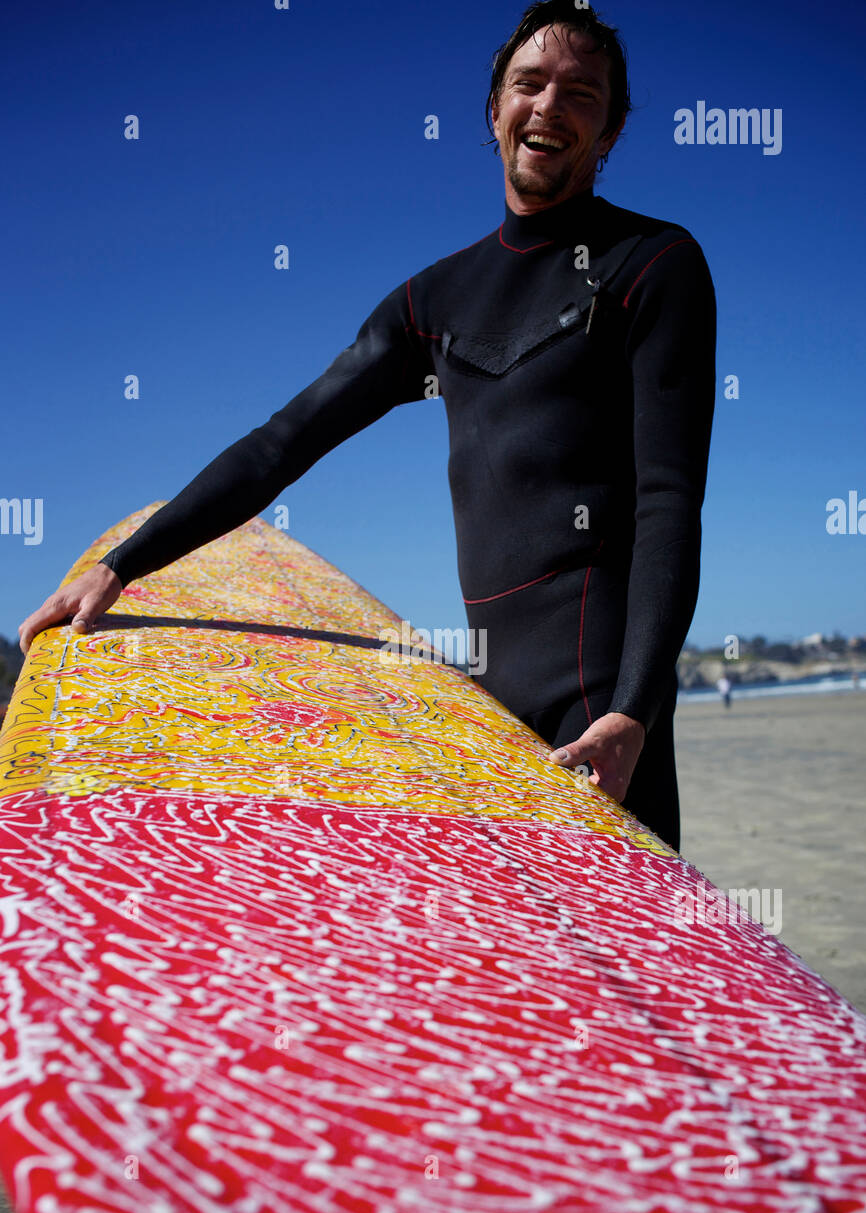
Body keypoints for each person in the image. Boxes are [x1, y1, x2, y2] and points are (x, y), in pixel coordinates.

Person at [18, 2, 716, 852]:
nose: (550, 107)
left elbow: (669, 501)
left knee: (638, 972)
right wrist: (122, 566)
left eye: (582, 93)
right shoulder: (433, 302)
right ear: (493, 108)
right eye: (529, 84)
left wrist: (633, 711)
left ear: (609, 131)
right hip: (491, 698)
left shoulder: (652, 264)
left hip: (605, 700)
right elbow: (287, 438)